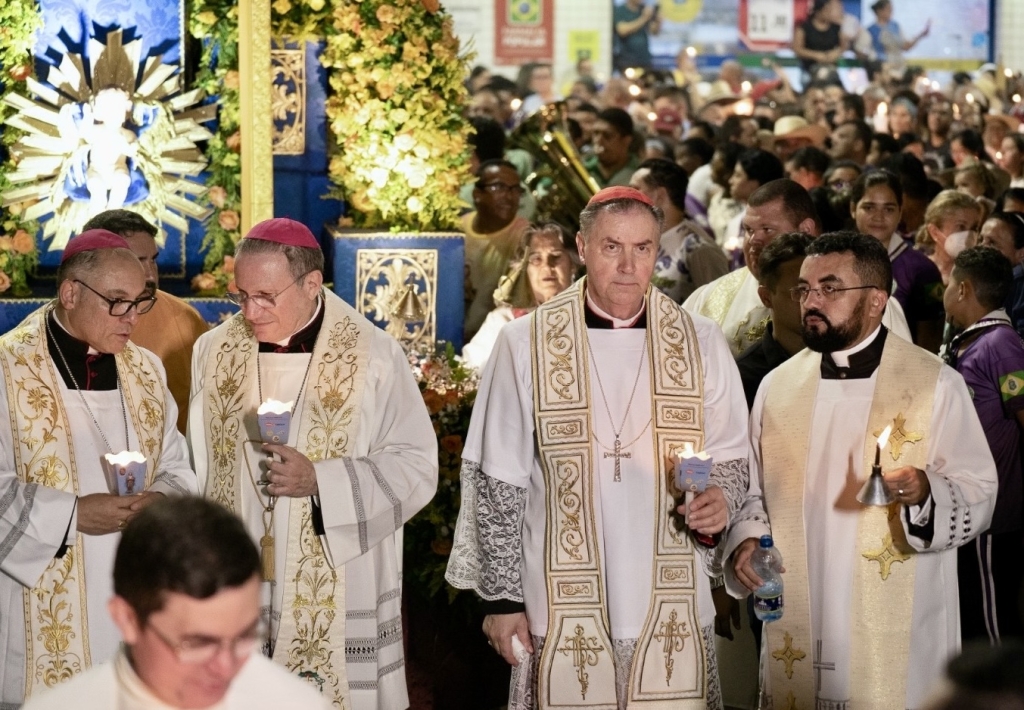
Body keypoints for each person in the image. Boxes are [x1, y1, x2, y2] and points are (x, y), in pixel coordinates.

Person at [446, 186, 750, 709]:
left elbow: (732, 457)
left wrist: (721, 497)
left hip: (671, 591)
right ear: (583, 248)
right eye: (612, 247)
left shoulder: (699, 340)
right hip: (556, 596)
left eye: (644, 249)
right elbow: (498, 478)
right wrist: (500, 601)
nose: (629, 266)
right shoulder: (527, 343)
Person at [726, 231, 998, 709]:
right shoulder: (778, 387)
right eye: (805, 289)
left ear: (876, 301)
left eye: (830, 289)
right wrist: (747, 540)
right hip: (799, 604)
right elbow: (750, 491)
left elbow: (979, 491)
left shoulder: (935, 384)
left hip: (899, 621)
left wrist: (926, 491)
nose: (811, 301)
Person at [187, 218, 438, 710]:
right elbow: (195, 464)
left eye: (265, 296)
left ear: (310, 283)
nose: (250, 312)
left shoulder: (373, 355)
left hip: (338, 579)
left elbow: (416, 465)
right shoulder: (213, 352)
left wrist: (323, 480)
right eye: (241, 295)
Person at [0, 230, 198, 707]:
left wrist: (163, 500)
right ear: (70, 294)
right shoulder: (7, 369)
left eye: (140, 302)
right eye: (117, 302)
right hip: (38, 606)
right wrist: (70, 516)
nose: (131, 318)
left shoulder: (146, 370)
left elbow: (178, 464)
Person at [22, 497, 331, 710]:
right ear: (127, 619)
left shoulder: (294, 703)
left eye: (245, 635)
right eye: (198, 643)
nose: (226, 668)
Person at [686, 178, 913, 356]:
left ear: (805, 230)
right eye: (749, 230)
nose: (754, 241)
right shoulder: (707, 297)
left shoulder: (863, 298)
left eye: (768, 230)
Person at [942, 246, 1024, 643]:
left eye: (949, 280)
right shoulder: (970, 341)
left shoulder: (1000, 344)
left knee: (994, 618)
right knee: (974, 610)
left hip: (995, 509)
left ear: (963, 289)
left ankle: (1004, 697)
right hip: (969, 502)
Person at [80, 210, 209, 433]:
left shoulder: (185, 319)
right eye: (138, 261)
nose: (150, 275)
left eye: (153, 260)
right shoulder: (75, 318)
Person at [461, 222, 576, 371]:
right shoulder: (503, 322)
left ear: (573, 265)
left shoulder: (595, 318)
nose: (547, 267)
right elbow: (467, 372)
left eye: (556, 257)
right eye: (536, 259)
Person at [850, 170, 945, 349]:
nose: (879, 217)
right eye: (869, 207)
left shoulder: (922, 269)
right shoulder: (835, 262)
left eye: (889, 209)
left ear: (900, 212)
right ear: (853, 209)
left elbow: (930, 339)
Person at [630, 158, 728, 302]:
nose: (627, 197)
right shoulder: (638, 240)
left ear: (660, 195)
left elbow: (718, 307)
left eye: (635, 190)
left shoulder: (698, 248)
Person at [736, 231, 816, 408]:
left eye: (826, 289)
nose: (814, 302)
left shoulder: (846, 361)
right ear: (766, 297)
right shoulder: (743, 379)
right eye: (800, 292)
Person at [461, 159, 531, 339]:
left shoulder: (526, 237)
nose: (509, 196)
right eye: (499, 187)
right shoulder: (457, 228)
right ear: (477, 194)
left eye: (515, 189)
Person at [979, 211, 1024, 335]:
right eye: (981, 239)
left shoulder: (1018, 288)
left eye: (992, 243)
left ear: (1021, 253)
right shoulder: (980, 281)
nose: (981, 248)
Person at [864, 0, 930, 74]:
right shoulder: (870, 30)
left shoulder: (895, 26)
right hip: (882, 68)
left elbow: (905, 46)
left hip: (899, 66)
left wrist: (920, 35)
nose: (891, 12)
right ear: (879, 11)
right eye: (888, 9)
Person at [584, 107, 640, 189]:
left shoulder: (639, 175)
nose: (598, 141)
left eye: (607, 136)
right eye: (595, 133)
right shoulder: (584, 164)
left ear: (626, 140)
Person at [793, 0, 847, 78]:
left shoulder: (836, 28)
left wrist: (835, 53)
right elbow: (797, 49)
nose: (829, 13)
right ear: (818, 11)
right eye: (826, 11)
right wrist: (816, 55)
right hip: (809, 67)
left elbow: (843, 46)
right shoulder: (804, 28)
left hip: (831, 67)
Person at [613, 0, 660, 73]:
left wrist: (658, 21)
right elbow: (622, 30)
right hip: (627, 60)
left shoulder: (643, 10)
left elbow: (653, 32)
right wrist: (643, 19)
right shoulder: (621, 10)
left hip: (645, 59)